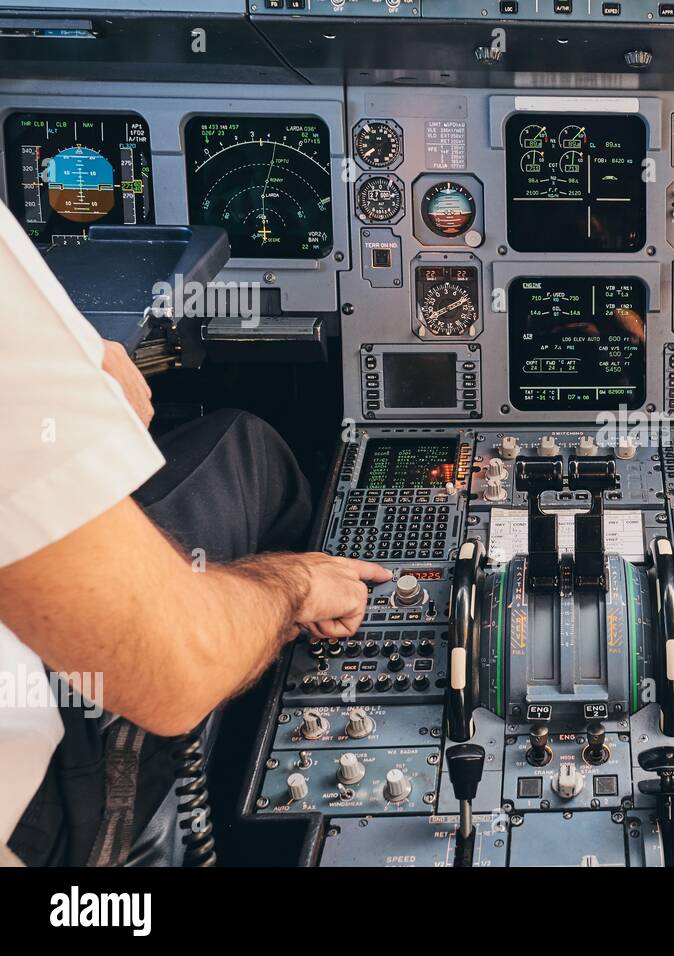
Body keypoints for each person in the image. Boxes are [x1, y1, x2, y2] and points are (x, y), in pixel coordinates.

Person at [0, 201, 391, 865]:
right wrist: (293, 586)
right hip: (39, 805)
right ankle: (246, 750)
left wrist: (79, 358)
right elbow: (172, 671)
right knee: (246, 452)